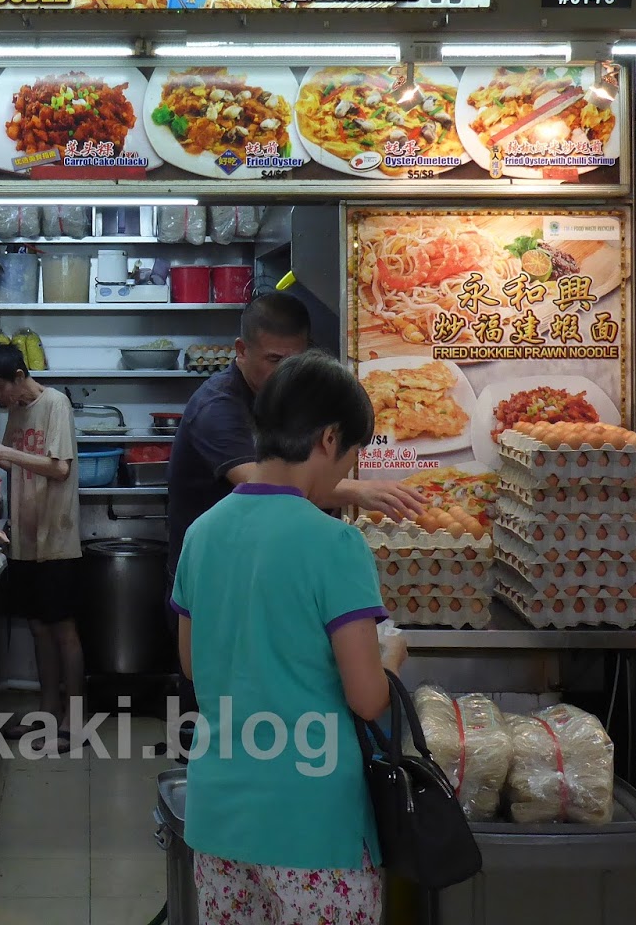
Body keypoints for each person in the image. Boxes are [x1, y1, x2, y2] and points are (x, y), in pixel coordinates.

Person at [171, 351, 406, 925]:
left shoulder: (203, 533)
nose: (347, 472)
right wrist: (392, 657)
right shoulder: (335, 544)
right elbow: (367, 699)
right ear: (329, 439)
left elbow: (193, 664)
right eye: (352, 455)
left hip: (220, 815)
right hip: (313, 823)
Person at [166, 292, 427, 594]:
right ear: (241, 350)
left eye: (295, 360)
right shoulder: (217, 408)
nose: (286, 372)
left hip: (260, 567)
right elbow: (265, 486)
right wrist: (359, 491)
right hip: (214, 576)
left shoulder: (289, 398)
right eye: (274, 359)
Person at [0, 344, 82, 741]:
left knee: (63, 628)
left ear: (19, 376)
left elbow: (59, 468)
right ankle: (48, 711)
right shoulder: (16, 410)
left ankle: (75, 719)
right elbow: (17, 460)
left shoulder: (55, 404)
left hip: (57, 533)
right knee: (38, 626)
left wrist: (6, 452)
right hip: (25, 533)